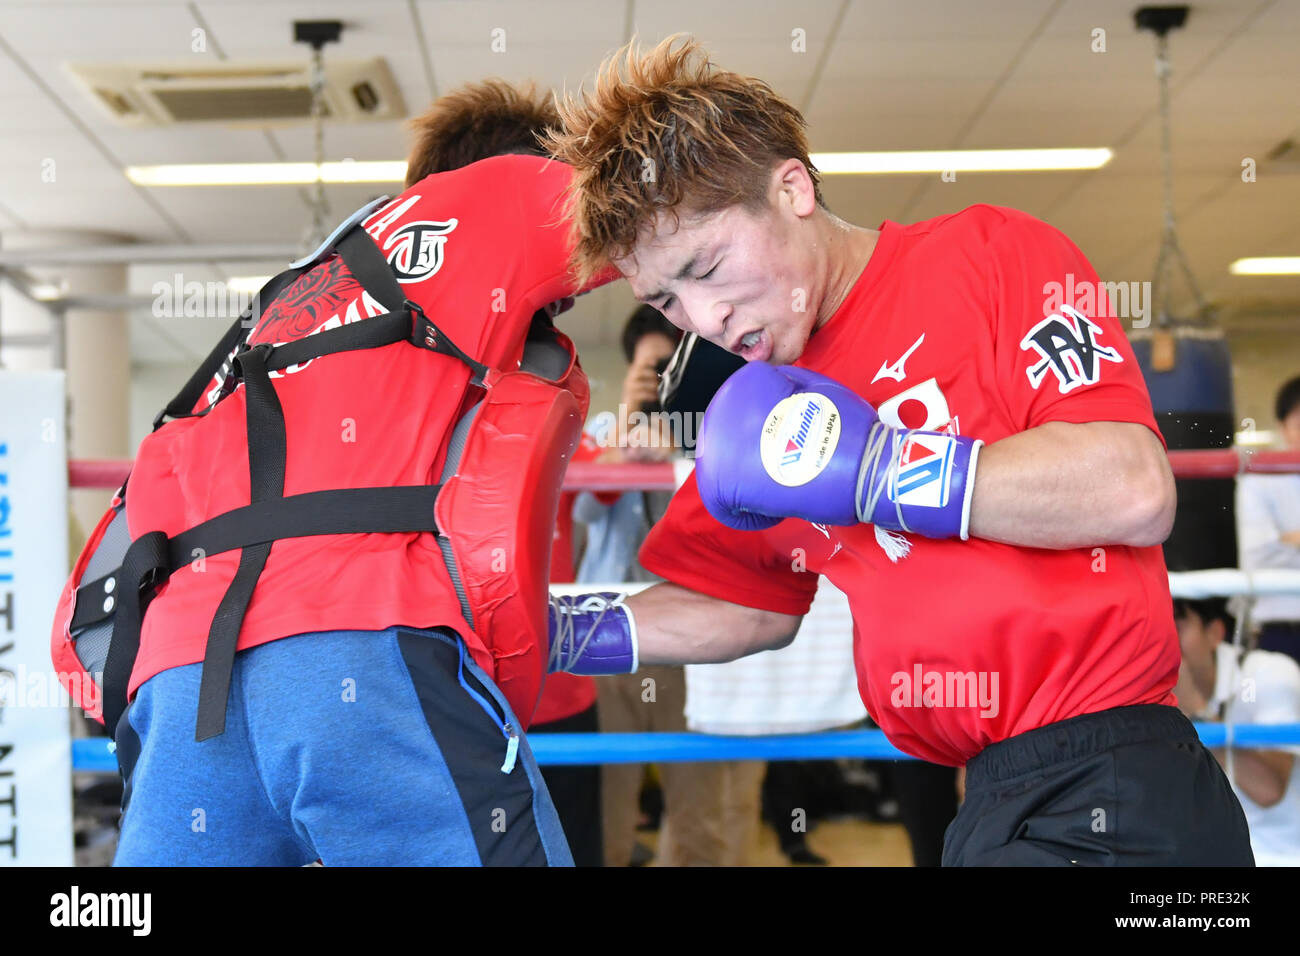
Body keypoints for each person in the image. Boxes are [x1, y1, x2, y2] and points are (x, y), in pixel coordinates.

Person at [541, 36, 1254, 865]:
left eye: (705, 266)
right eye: (665, 297)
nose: (702, 321)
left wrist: (876, 468)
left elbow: (1133, 489)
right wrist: (542, 628)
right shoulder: (767, 417)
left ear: (793, 188)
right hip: (985, 796)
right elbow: (743, 605)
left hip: (1122, 777)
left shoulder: (990, 257)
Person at [107, 80, 614, 866]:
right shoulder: (501, 200)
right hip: (359, 654)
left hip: (178, 685)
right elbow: (672, 203)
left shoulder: (282, 308)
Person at [1172, 597, 1300, 866]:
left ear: (1215, 632)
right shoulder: (1148, 689)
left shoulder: (1268, 673)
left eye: (1177, 625)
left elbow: (1269, 791)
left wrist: (1196, 709)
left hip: (1279, 856)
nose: (1165, 641)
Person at [1237, 374, 1300, 667]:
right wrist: (1280, 544)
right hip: (1280, 625)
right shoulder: (1260, 478)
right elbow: (1259, 553)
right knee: (1278, 705)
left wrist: (1289, 540)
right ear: (1283, 427)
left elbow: (1275, 548)